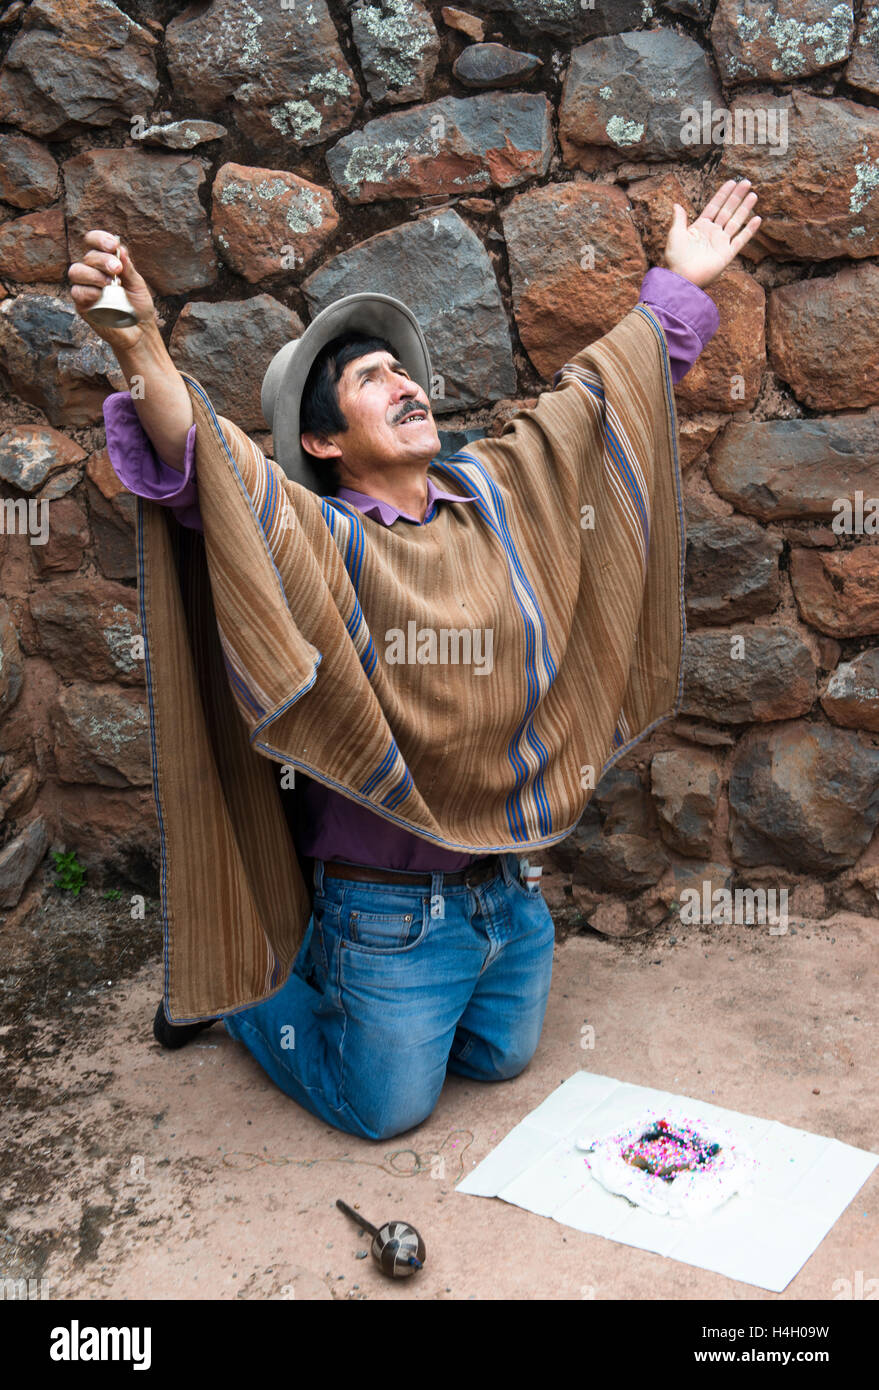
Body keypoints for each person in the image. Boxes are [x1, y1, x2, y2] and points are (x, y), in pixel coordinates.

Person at [67, 182, 761, 1141]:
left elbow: (598, 404)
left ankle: (320, 966)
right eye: (370, 380)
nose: (406, 383)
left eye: (405, 368)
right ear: (322, 439)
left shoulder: (501, 492)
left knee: (502, 1062)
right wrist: (138, 345)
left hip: (505, 893)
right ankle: (239, 991)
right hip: (387, 911)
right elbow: (212, 475)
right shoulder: (315, 535)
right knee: (387, 1111)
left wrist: (676, 286)